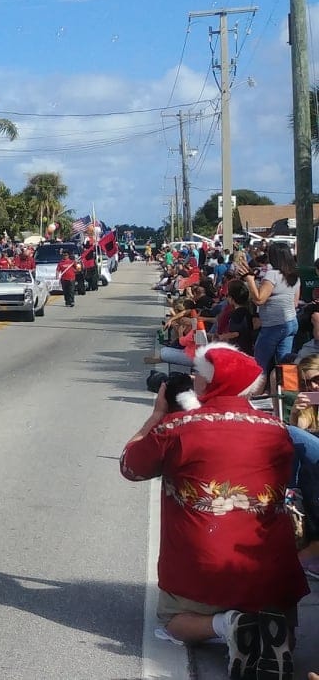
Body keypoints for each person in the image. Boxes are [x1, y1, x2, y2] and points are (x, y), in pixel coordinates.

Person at [121, 344, 304, 674]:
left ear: (206, 382)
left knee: (172, 622)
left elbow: (130, 467)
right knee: (276, 612)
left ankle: (227, 625)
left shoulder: (177, 428)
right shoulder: (277, 430)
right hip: (269, 568)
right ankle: (278, 634)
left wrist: (158, 415)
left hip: (202, 571)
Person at [245, 243, 300, 374]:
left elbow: (259, 299)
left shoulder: (272, 275)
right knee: (285, 365)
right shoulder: (294, 276)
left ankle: (257, 392)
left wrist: (249, 280)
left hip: (273, 325)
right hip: (291, 322)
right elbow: (295, 303)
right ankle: (285, 391)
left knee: (259, 365)